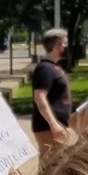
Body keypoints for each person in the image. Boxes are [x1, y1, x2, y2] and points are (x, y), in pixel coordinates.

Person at [31, 29, 73, 158]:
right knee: (50, 168)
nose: (67, 47)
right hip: (48, 129)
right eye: (65, 44)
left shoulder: (53, 67)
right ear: (57, 45)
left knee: (54, 166)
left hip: (57, 127)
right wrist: (54, 125)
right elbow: (40, 97)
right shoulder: (45, 68)